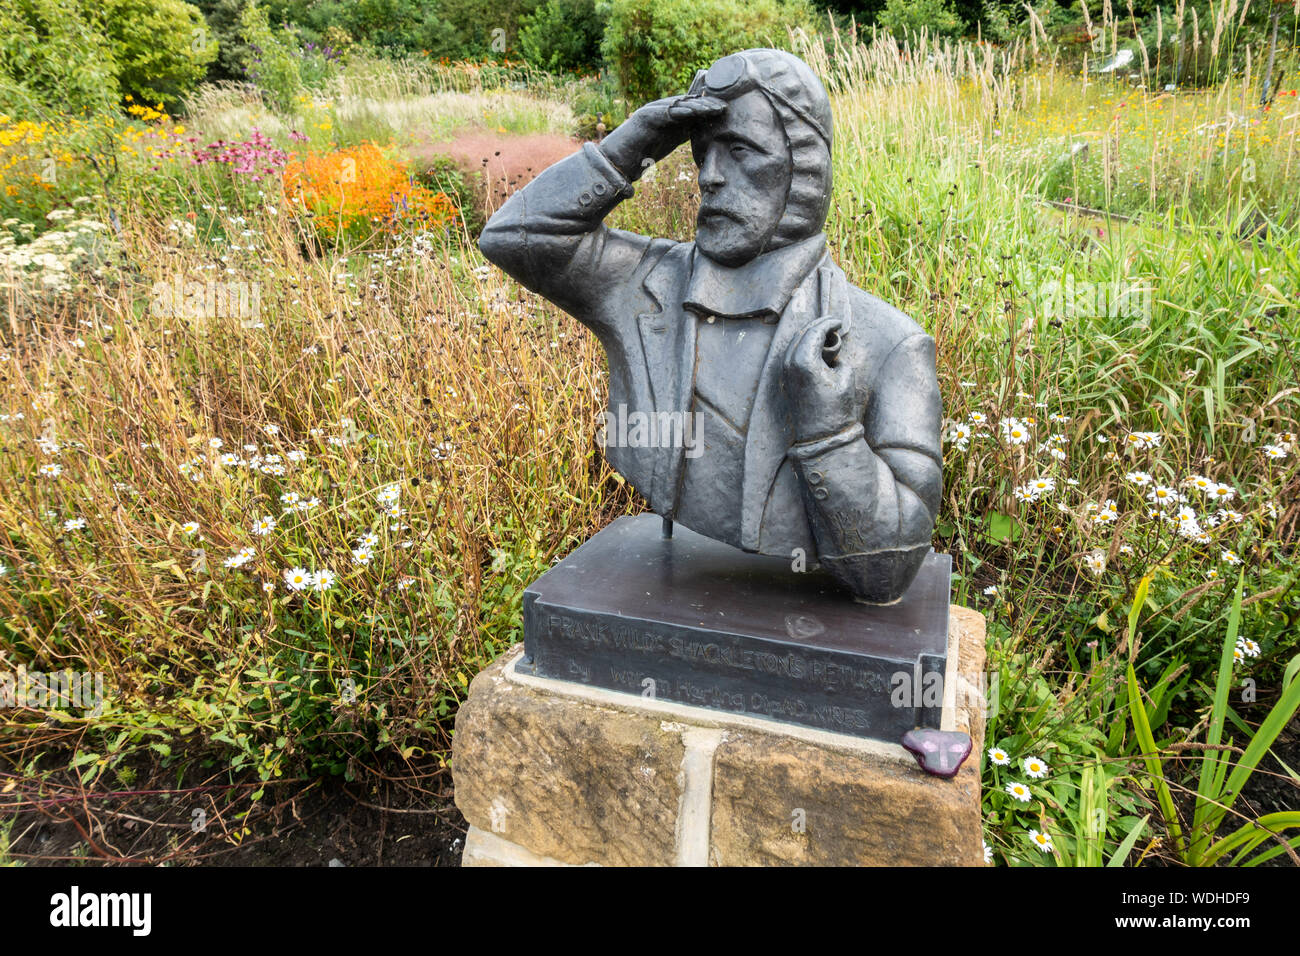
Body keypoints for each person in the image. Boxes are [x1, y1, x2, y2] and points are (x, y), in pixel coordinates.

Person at [478, 48, 942, 604]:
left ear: (804, 167)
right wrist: (633, 144)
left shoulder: (890, 345)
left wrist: (831, 436)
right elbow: (512, 238)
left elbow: (886, 575)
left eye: (741, 151)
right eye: (702, 153)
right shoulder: (643, 281)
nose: (711, 177)